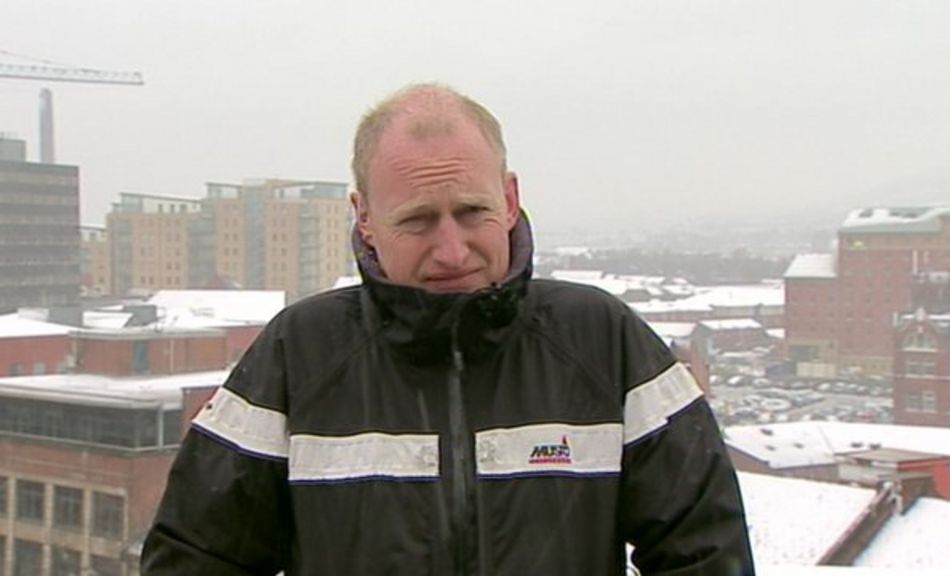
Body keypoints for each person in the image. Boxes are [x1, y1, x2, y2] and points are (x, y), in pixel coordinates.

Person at [141, 83, 755, 575]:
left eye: (472, 212)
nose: (452, 251)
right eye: (417, 220)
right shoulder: (299, 355)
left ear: (509, 200)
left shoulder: (602, 341)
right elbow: (196, 558)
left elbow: (705, 552)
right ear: (365, 220)